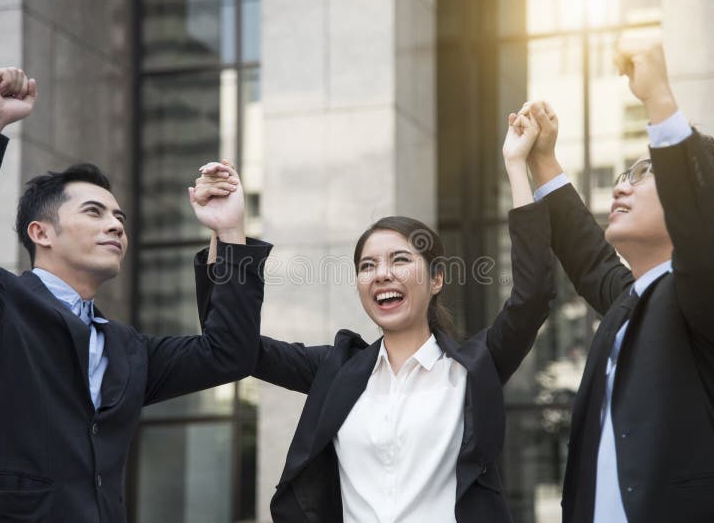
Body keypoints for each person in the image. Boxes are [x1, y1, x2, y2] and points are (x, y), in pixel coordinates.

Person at [194, 111, 555, 522]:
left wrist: (515, 165)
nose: (382, 273)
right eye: (368, 266)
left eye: (400, 260)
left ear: (437, 279)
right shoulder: (337, 369)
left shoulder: (472, 368)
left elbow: (534, 295)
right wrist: (228, 233)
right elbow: (233, 346)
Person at [0, 67, 271, 522]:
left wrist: (230, 232)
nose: (116, 225)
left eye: (119, 217)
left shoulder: (127, 349)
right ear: (40, 232)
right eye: (94, 212)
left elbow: (230, 354)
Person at [521, 39, 714, 522]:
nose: (621, 185)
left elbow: (704, 244)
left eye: (643, 173)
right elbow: (589, 259)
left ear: (691, 200)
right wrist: (543, 159)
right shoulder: (638, 298)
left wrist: (659, 102)